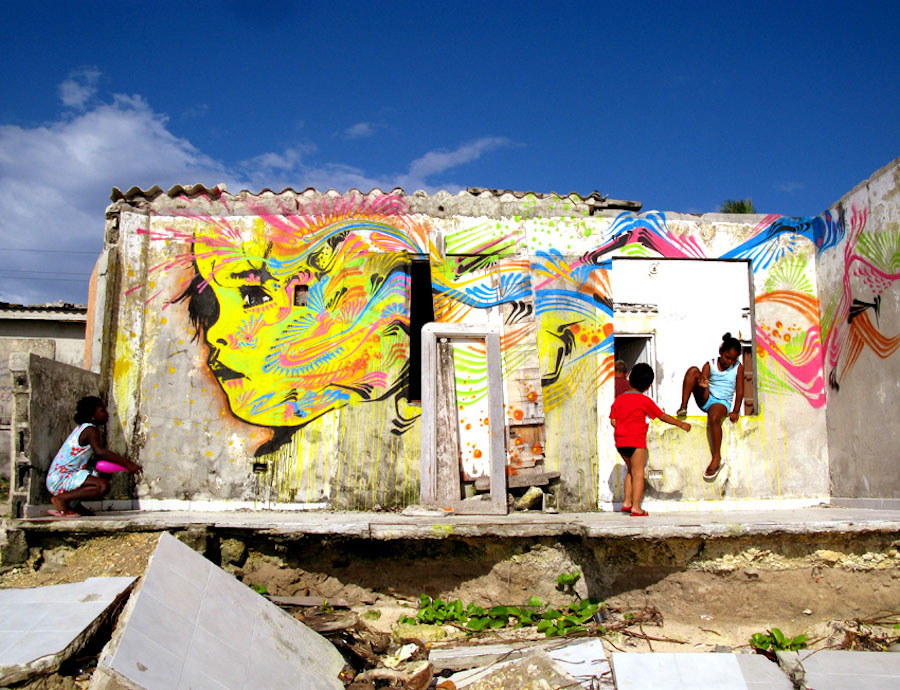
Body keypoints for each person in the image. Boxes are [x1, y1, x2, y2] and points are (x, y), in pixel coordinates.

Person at [610, 363, 691, 516]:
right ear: (648, 385)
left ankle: (626, 502)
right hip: (636, 441)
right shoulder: (644, 401)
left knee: (630, 471)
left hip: (621, 442)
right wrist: (680, 424)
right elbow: (662, 416)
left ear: (630, 379)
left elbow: (613, 421)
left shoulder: (620, 400)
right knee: (639, 472)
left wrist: (624, 428)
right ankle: (636, 507)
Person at [45, 396, 142, 518]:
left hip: (61, 476)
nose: (107, 414)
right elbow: (100, 452)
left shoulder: (84, 428)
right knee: (102, 486)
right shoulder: (90, 430)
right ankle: (61, 499)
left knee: (104, 472)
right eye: (102, 411)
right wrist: (128, 464)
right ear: (92, 415)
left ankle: (73, 505)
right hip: (60, 478)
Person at [675, 333, 744, 481]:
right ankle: (683, 406)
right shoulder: (710, 364)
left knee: (713, 417)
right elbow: (702, 378)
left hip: (721, 403)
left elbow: (740, 391)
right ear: (721, 352)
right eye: (727, 357)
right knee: (693, 370)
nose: (729, 362)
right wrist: (702, 383)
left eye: (733, 359)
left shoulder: (738, 368)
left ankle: (716, 457)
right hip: (706, 397)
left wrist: (736, 410)